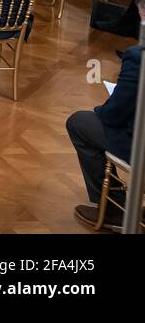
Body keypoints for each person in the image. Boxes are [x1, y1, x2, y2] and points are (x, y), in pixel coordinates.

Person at [65, 25, 141, 230]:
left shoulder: (138, 56)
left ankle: (114, 208)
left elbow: (113, 114)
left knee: (79, 122)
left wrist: (104, 108)